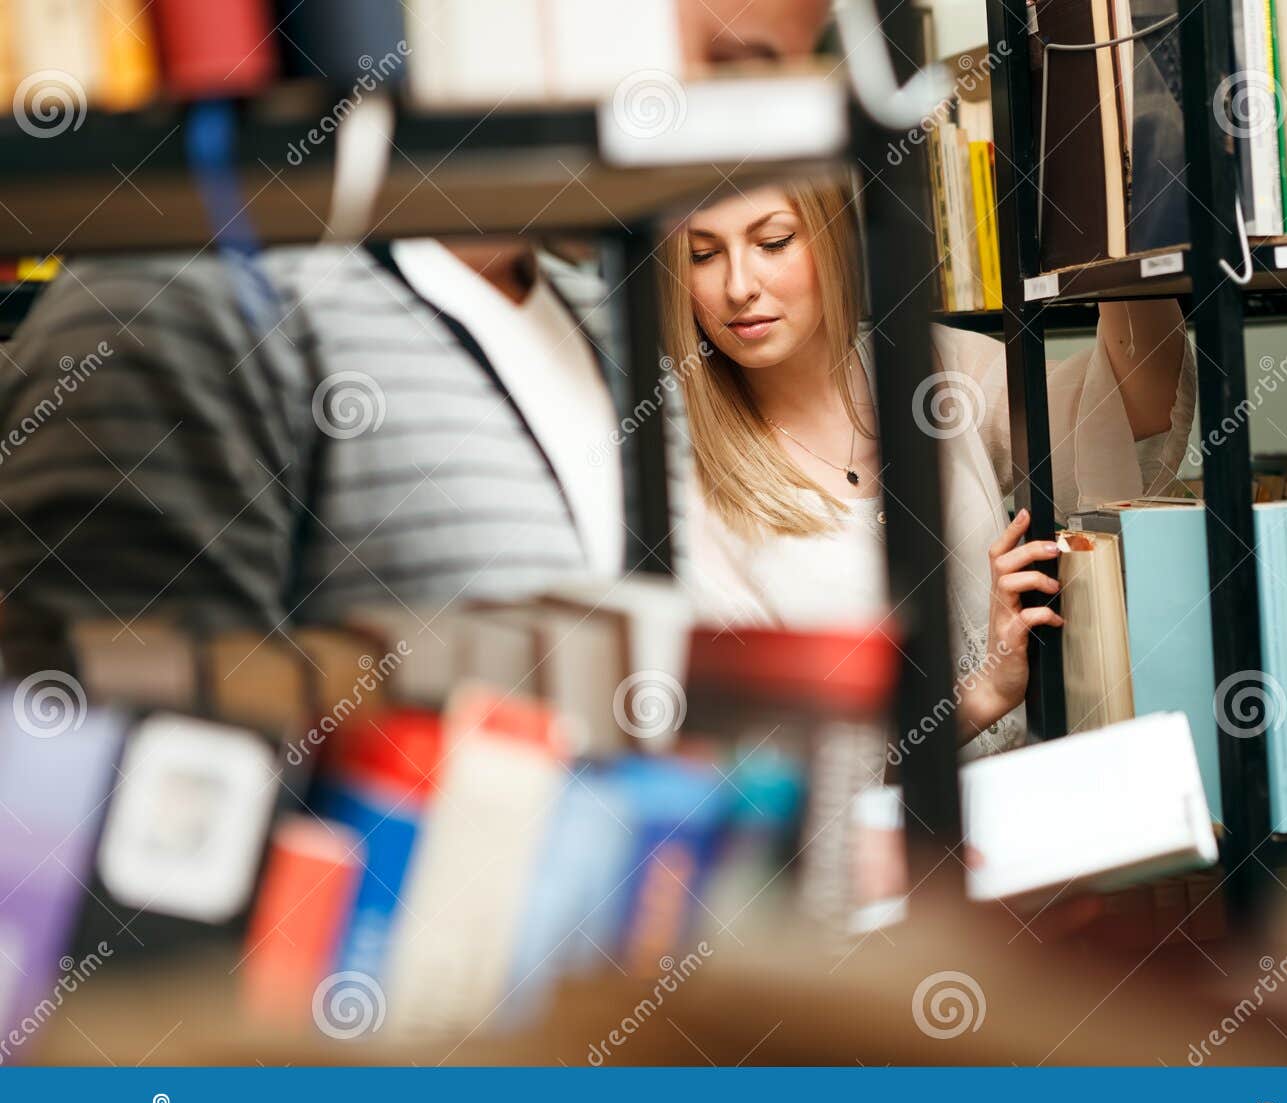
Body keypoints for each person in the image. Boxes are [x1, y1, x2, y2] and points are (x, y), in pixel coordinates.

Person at [0, 0, 831, 639]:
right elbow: (93, 795)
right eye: (734, 67)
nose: (748, 151)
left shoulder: (609, 320)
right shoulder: (189, 305)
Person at [663, 181, 1195, 755]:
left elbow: (1124, 421)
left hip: (1019, 809)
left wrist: (1128, 214)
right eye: (703, 255)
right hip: (864, 838)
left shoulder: (932, 366)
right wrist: (983, 693)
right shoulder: (680, 473)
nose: (739, 287)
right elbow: (765, 761)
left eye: (773, 242)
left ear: (836, 237)